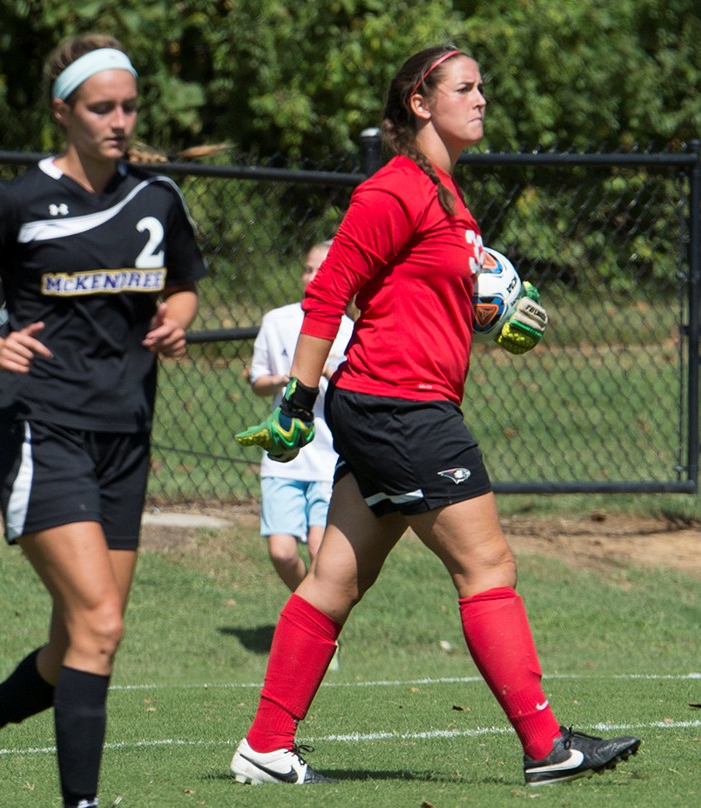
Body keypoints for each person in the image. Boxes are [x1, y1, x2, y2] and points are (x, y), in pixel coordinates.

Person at [231, 44, 640, 787]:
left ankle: (265, 745)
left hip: (391, 406)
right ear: (419, 103)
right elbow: (329, 294)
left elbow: (415, 294)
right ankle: (546, 747)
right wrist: (296, 398)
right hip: (400, 407)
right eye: (464, 86)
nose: (480, 97)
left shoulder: (448, 197)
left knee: (332, 581)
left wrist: (493, 310)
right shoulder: (393, 190)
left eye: (483, 85)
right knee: (486, 566)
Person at [0, 32, 207, 808]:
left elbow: (183, 283)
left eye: (128, 106)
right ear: (65, 112)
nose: (119, 120)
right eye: (101, 107)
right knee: (101, 624)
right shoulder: (17, 201)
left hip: (126, 437)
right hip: (42, 431)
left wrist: (175, 319)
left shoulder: (157, 197)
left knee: (79, 643)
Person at [247, 240, 354, 592]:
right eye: (307, 269)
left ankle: (317, 626)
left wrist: (323, 371)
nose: (311, 277)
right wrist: (286, 379)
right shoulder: (277, 321)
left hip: (329, 458)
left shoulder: (350, 330)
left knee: (321, 552)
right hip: (284, 457)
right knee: (282, 553)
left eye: (320, 270)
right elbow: (257, 381)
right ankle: (309, 611)